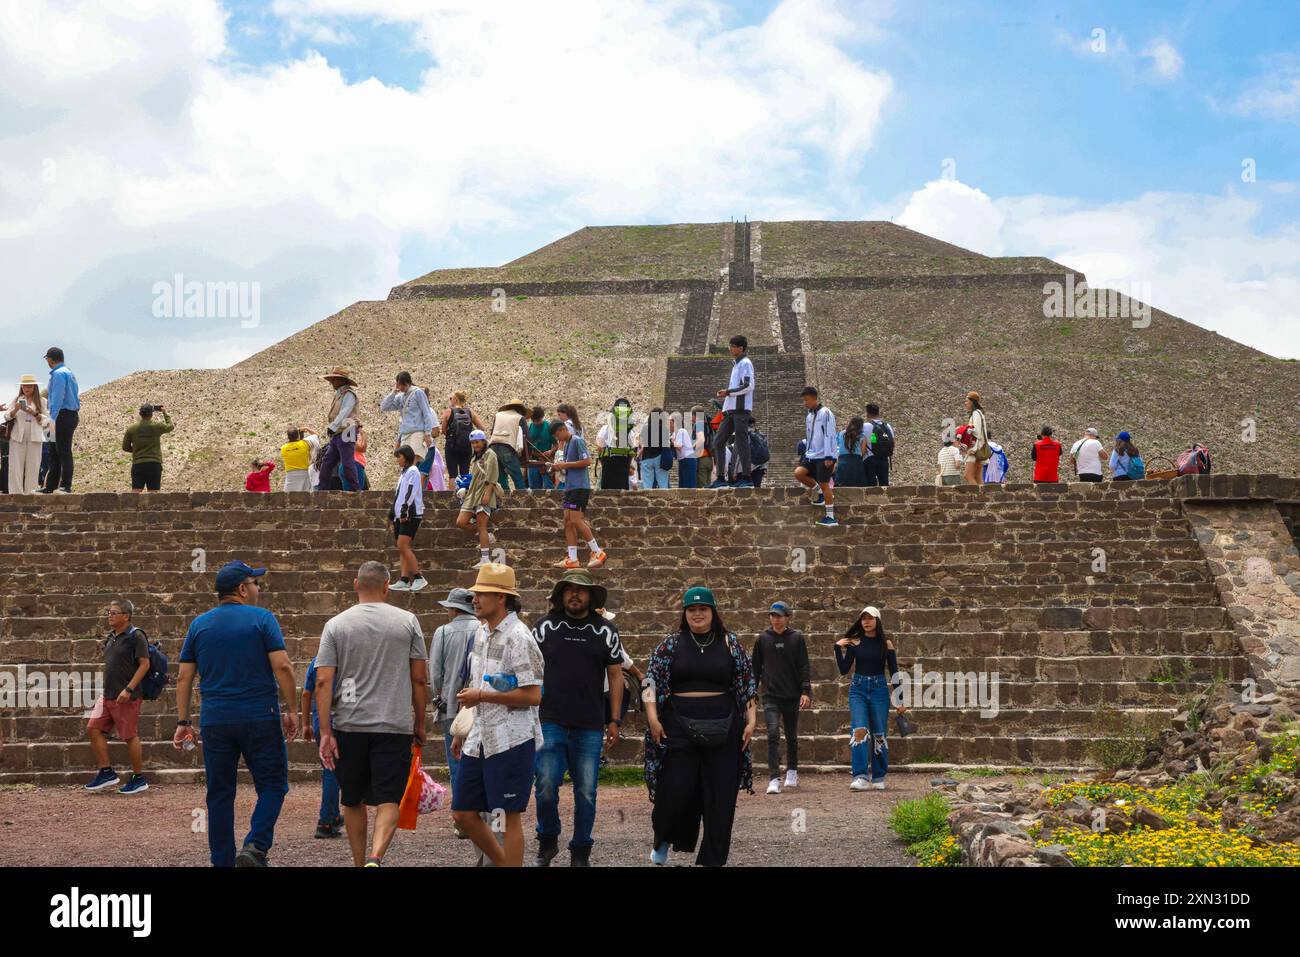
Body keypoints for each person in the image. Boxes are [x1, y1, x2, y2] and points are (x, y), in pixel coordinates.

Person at [173, 561, 299, 867]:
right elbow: (282, 666)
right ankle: (256, 845)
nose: (258, 589)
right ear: (242, 589)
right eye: (255, 583)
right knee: (273, 785)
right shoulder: (262, 619)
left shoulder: (198, 626)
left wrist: (184, 722)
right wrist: (292, 709)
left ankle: (222, 862)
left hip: (216, 719)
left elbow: (183, 677)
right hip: (259, 715)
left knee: (219, 794)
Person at [316, 561, 429, 867]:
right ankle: (377, 855)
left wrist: (325, 731)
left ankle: (357, 861)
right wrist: (420, 722)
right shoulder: (408, 621)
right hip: (394, 724)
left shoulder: (336, 625)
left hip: (349, 725)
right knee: (389, 798)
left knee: (352, 799)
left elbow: (323, 680)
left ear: (356, 584)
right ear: (386, 587)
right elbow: (419, 678)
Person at [643, 585, 756, 867]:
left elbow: (747, 684)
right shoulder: (670, 644)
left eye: (702, 609)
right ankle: (663, 838)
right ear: (684, 613)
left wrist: (752, 720)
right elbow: (649, 683)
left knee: (720, 797)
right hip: (678, 725)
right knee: (675, 790)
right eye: (691, 609)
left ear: (713, 612)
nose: (697, 614)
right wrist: (652, 717)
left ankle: (711, 860)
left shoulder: (731, 643)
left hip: (724, 724)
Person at [450, 563, 545, 869]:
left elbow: (533, 696)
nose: (475, 599)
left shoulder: (521, 637)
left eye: (483, 594)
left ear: (502, 598)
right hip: (479, 737)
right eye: (475, 594)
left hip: (511, 741)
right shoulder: (480, 632)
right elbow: (475, 684)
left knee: (506, 817)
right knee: (463, 814)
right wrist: (461, 730)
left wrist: (483, 696)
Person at [531, 569, 625, 867]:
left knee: (586, 791)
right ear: (561, 595)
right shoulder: (544, 628)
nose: (575, 594)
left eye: (581, 590)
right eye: (569, 589)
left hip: (589, 724)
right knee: (545, 785)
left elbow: (616, 674)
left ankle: (581, 850)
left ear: (590, 596)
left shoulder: (605, 630)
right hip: (549, 719)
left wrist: (615, 719)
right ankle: (547, 840)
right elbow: (529, 668)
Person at [83, 599, 152, 795]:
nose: (109, 616)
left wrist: (129, 689)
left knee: (129, 736)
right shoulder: (112, 637)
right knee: (93, 728)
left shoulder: (136, 636)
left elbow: (145, 664)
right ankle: (106, 772)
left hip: (126, 696)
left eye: (114, 612)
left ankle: (139, 778)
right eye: (109, 612)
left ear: (126, 616)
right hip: (108, 695)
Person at [835, 606, 905, 791]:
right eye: (863, 618)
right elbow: (844, 670)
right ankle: (860, 776)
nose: (866, 621)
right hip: (858, 689)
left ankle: (879, 776)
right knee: (859, 730)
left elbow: (894, 672)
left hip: (879, 689)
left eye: (870, 618)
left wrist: (900, 700)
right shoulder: (855, 642)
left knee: (879, 732)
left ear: (877, 620)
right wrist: (837, 648)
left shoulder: (886, 644)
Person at [752, 601, 811, 795]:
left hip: (792, 695)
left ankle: (792, 771)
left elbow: (804, 666)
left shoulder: (796, 638)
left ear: (787, 617)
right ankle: (774, 777)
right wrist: (752, 691)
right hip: (770, 695)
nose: (775, 619)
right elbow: (755, 668)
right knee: (773, 734)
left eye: (779, 616)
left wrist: (805, 691)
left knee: (791, 735)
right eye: (772, 615)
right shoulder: (762, 639)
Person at [428, 588, 479, 803]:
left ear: (453, 609)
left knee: (456, 760)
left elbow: (435, 673)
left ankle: (461, 813)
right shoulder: (483, 628)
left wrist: (439, 694)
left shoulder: (443, 632)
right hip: (479, 700)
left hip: (451, 701)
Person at [547, 419, 606, 569]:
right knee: (567, 520)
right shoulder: (567, 445)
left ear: (562, 430)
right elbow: (569, 467)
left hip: (579, 487)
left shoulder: (577, 441)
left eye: (556, 435)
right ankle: (572, 558)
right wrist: (556, 467)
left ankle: (597, 551)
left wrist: (564, 465)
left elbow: (587, 461)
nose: (557, 439)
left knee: (576, 520)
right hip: (570, 487)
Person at [300, 655, 343, 839]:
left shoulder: (316, 661)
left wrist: (306, 724)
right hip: (341, 721)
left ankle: (332, 815)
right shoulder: (346, 659)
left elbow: (305, 693)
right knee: (333, 771)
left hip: (320, 723)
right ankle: (326, 820)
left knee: (329, 769)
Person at [712, 335, 755, 487]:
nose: (731, 349)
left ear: (741, 348)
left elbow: (748, 386)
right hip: (731, 410)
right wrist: (725, 407)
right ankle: (720, 478)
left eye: (733, 346)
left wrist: (728, 392)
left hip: (741, 410)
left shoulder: (745, 363)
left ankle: (747, 477)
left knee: (741, 442)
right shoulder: (736, 365)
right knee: (718, 441)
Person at [455, 430, 500, 569]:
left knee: (482, 526)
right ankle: (486, 535)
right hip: (472, 494)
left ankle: (485, 559)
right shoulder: (475, 458)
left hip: (483, 493)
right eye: (473, 443)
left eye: (477, 442)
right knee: (461, 522)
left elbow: (492, 476)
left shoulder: (490, 454)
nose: (475, 445)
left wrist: (487, 494)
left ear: (483, 441)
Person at [794, 386, 838, 527]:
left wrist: (829, 456)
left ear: (814, 398)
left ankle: (831, 517)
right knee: (799, 473)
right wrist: (807, 452)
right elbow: (809, 436)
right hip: (811, 454)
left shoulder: (826, 413)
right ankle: (819, 493)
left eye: (806, 400)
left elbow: (830, 434)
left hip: (824, 455)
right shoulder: (810, 415)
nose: (804, 403)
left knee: (825, 483)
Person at [41, 346, 80, 494]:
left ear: (49, 359)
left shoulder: (58, 374)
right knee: (54, 450)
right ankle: (51, 485)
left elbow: (57, 397)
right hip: (68, 414)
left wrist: (52, 419)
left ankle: (65, 485)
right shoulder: (69, 373)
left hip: (60, 415)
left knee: (62, 450)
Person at [388, 445, 427, 592]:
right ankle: (404, 579)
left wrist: (404, 511)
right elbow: (399, 494)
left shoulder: (413, 471)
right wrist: (394, 513)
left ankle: (418, 577)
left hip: (410, 515)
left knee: (403, 545)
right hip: (400, 515)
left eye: (399, 456)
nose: (398, 459)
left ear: (406, 456)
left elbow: (411, 491)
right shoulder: (403, 473)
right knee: (402, 548)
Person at [5, 375, 51, 493]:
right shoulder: (16, 400)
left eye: (29, 386)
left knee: (33, 467)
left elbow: (47, 421)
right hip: (17, 436)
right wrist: (16, 409)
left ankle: (31, 494)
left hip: (35, 436)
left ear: (34, 387)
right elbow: (7, 416)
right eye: (25, 385)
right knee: (15, 467)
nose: (27, 388)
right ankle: (16, 495)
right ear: (21, 386)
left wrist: (34, 413)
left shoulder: (42, 401)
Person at [380, 371, 437, 464]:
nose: (400, 387)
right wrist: (394, 392)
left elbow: (426, 413)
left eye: (401, 384)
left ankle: (412, 477)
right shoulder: (400, 397)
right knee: (405, 461)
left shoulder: (418, 393)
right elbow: (384, 407)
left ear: (406, 382)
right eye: (398, 385)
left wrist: (427, 433)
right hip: (405, 433)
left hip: (417, 431)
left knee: (414, 460)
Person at [319, 366, 361, 492]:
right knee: (327, 461)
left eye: (335, 379)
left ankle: (356, 489)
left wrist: (332, 426)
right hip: (338, 431)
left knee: (347, 462)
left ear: (342, 380)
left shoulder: (349, 394)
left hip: (347, 430)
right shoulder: (339, 394)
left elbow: (344, 412)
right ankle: (322, 490)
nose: (332, 382)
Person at [121, 404, 174, 492]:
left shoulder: (131, 429)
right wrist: (165, 413)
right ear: (151, 414)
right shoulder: (156, 426)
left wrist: (137, 451)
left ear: (140, 414)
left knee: (135, 493)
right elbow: (170, 426)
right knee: (153, 493)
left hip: (138, 464)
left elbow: (125, 447)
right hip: (154, 464)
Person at [441, 391, 485, 480]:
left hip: (451, 446)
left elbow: (444, 430)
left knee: (453, 475)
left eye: (451, 398)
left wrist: (451, 436)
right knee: (465, 474)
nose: (450, 400)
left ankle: (453, 494)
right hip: (466, 446)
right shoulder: (470, 412)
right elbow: (482, 428)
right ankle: (464, 493)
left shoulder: (448, 412)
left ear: (456, 399)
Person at [488, 400, 528, 492]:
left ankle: (505, 497)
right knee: (517, 476)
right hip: (507, 448)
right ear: (520, 410)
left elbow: (492, 432)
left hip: (492, 447)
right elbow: (526, 438)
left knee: (500, 476)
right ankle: (522, 497)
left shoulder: (498, 415)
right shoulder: (520, 417)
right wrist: (526, 456)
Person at [596, 398, 635, 491]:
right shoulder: (630, 431)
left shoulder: (606, 428)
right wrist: (629, 464)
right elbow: (632, 448)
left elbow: (599, 446)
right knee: (622, 490)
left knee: (607, 490)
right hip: (624, 461)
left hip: (609, 461)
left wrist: (603, 460)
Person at [637, 407, 672, 489]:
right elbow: (666, 444)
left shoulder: (645, 428)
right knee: (663, 483)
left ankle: (647, 500)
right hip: (659, 458)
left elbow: (641, 443)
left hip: (646, 458)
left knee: (647, 484)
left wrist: (640, 452)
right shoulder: (664, 429)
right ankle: (665, 500)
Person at [962, 391, 991, 486]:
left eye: (966, 400)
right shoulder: (979, 413)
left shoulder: (976, 413)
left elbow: (977, 432)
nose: (965, 403)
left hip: (975, 449)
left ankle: (979, 496)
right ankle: (983, 498)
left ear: (972, 401)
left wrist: (965, 430)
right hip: (980, 448)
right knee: (978, 477)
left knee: (968, 475)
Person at [863, 403, 895, 487]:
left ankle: (872, 500)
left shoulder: (865, 426)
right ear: (878, 413)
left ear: (867, 413)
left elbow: (862, 442)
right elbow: (893, 441)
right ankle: (884, 499)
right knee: (884, 484)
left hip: (870, 458)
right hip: (884, 458)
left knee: (871, 485)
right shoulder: (887, 426)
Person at [280, 427, 320, 492]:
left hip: (290, 476)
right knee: (305, 496)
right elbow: (316, 435)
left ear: (288, 437)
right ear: (298, 435)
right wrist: (307, 428)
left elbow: (294, 446)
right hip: (303, 474)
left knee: (289, 497)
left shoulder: (283, 448)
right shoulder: (305, 444)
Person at [526, 406, 556, 490]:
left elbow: (556, 444)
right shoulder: (530, 426)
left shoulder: (548, 427)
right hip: (533, 462)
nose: (535, 423)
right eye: (533, 420)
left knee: (548, 488)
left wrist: (550, 451)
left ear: (542, 417)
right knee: (534, 489)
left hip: (545, 461)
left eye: (538, 420)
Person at [671, 411, 702, 489]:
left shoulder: (681, 431)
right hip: (683, 460)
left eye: (670, 421)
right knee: (682, 485)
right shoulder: (674, 433)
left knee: (689, 486)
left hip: (688, 460)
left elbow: (679, 446)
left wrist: (671, 442)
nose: (668, 423)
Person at [835, 416, 868, 488]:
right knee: (857, 485)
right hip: (856, 461)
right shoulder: (862, 435)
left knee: (841, 484)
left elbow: (837, 446)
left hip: (843, 460)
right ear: (861, 426)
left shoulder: (841, 433)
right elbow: (863, 451)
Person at [338, 423, 370, 491]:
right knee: (358, 493)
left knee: (348, 494)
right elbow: (362, 448)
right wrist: (364, 434)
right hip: (355, 465)